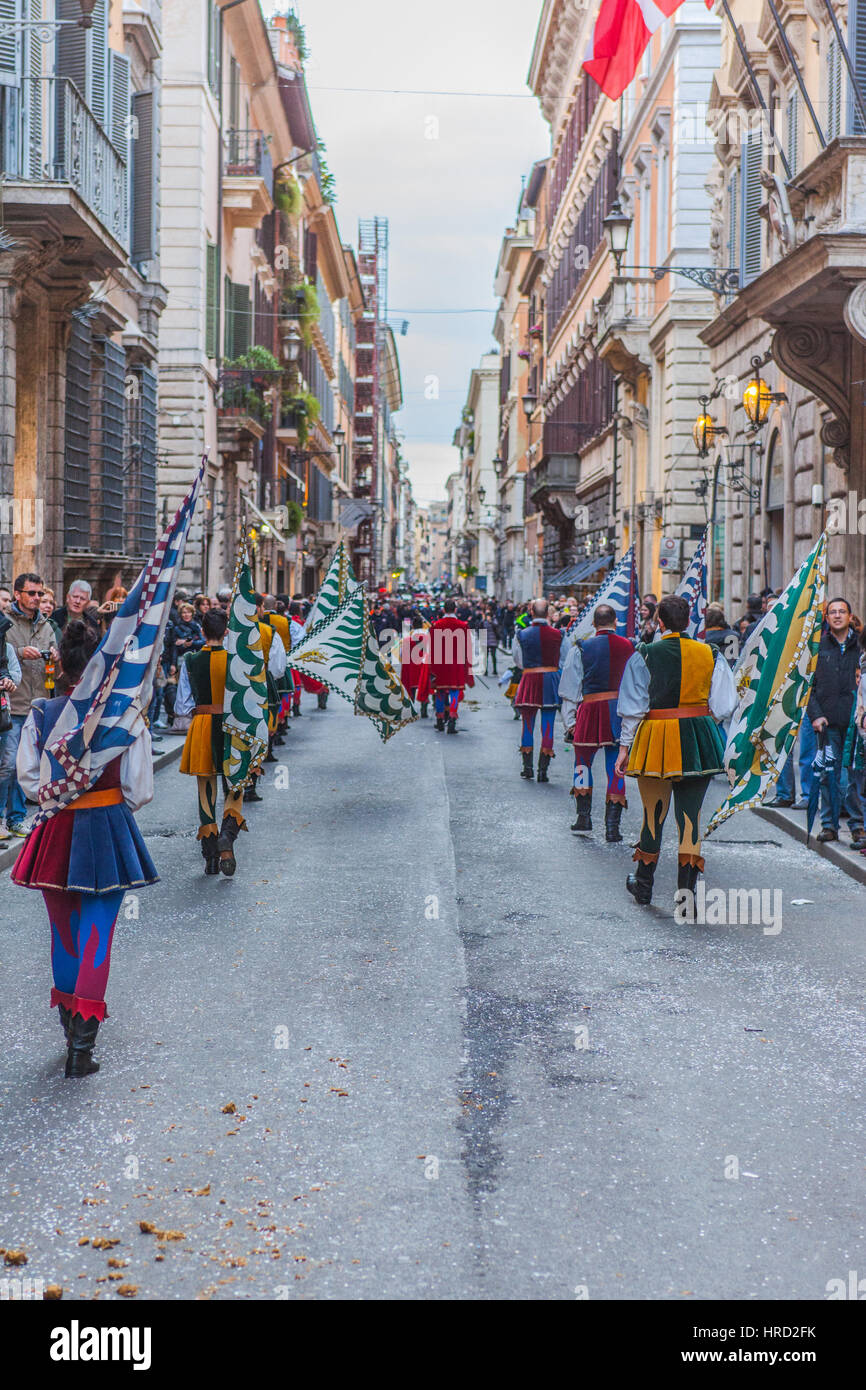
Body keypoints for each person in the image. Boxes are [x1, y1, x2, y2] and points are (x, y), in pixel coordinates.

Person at [12, 620, 157, 1077]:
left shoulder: (40, 712)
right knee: (98, 935)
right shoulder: (125, 714)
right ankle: (81, 1048)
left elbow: (30, 781)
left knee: (64, 934)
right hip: (107, 824)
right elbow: (140, 788)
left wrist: (60, 796)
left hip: (56, 827)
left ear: (60, 663)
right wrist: (112, 803)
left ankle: (70, 1029)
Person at [614, 593, 737, 907]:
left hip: (656, 736)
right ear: (689, 622)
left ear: (660, 622)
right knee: (691, 819)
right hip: (698, 737)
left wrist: (624, 748)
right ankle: (686, 895)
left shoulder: (644, 653)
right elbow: (725, 704)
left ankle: (643, 886)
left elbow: (633, 706)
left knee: (652, 816)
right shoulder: (710, 653)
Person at [176, 607, 248, 876]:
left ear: (202, 631)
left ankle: (210, 857)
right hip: (233, 726)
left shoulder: (190, 660)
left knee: (206, 790)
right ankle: (227, 837)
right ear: (226, 631)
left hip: (203, 724)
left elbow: (182, 704)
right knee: (236, 783)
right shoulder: (236, 660)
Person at [559, 603, 634, 839]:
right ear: (615, 623)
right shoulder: (630, 647)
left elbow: (571, 688)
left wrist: (570, 721)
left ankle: (583, 818)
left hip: (590, 709)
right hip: (618, 710)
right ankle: (612, 828)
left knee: (582, 763)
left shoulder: (580, 648)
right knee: (617, 767)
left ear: (593, 623)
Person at [0, 573, 60, 838]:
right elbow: (4, 653)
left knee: (27, 767)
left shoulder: (47, 624)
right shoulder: (6, 623)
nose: (37, 598)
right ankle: (2, 819)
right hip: (14, 704)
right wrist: (21, 651)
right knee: (9, 765)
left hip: (40, 705)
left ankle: (16, 818)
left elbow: (55, 663)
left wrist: (56, 657)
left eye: (40, 593)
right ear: (18, 594)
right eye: (32, 593)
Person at [806, 597, 864, 845]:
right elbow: (808, 687)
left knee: (854, 775)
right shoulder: (819, 647)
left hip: (853, 722)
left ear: (850, 617)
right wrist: (816, 715)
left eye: (842, 611)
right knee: (828, 774)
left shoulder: (860, 647)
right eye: (833, 612)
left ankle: (858, 826)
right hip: (826, 721)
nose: (837, 615)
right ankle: (828, 825)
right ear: (827, 618)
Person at [513, 598, 563, 782]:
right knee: (548, 725)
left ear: (531, 612)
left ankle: (528, 768)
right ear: (548, 613)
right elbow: (562, 659)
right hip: (550, 679)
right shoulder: (558, 634)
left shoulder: (521, 634)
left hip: (530, 677)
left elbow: (517, 660)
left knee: (527, 724)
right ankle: (543, 770)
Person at [417, 598, 474, 733]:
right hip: (457, 664)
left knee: (440, 691)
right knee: (454, 691)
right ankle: (452, 719)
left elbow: (430, 646)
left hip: (440, 663)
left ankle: (440, 719)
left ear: (443, 610)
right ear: (455, 610)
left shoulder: (436, 625)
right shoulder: (463, 625)